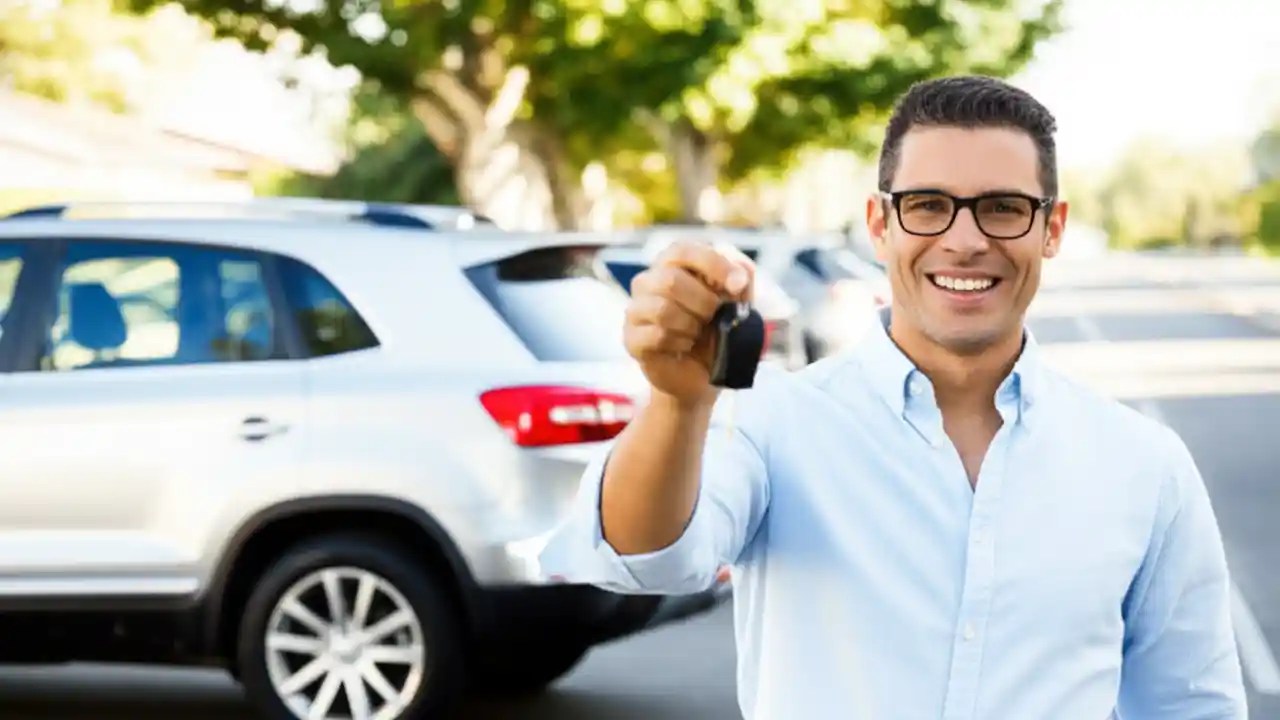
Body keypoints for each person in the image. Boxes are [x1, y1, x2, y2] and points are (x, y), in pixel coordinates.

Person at [537, 75, 1247, 719]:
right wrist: (677, 405)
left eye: (1002, 208)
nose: (965, 241)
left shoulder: (1144, 464)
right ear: (881, 225)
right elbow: (643, 558)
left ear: (1050, 228)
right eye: (929, 205)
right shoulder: (773, 421)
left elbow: (1191, 707)